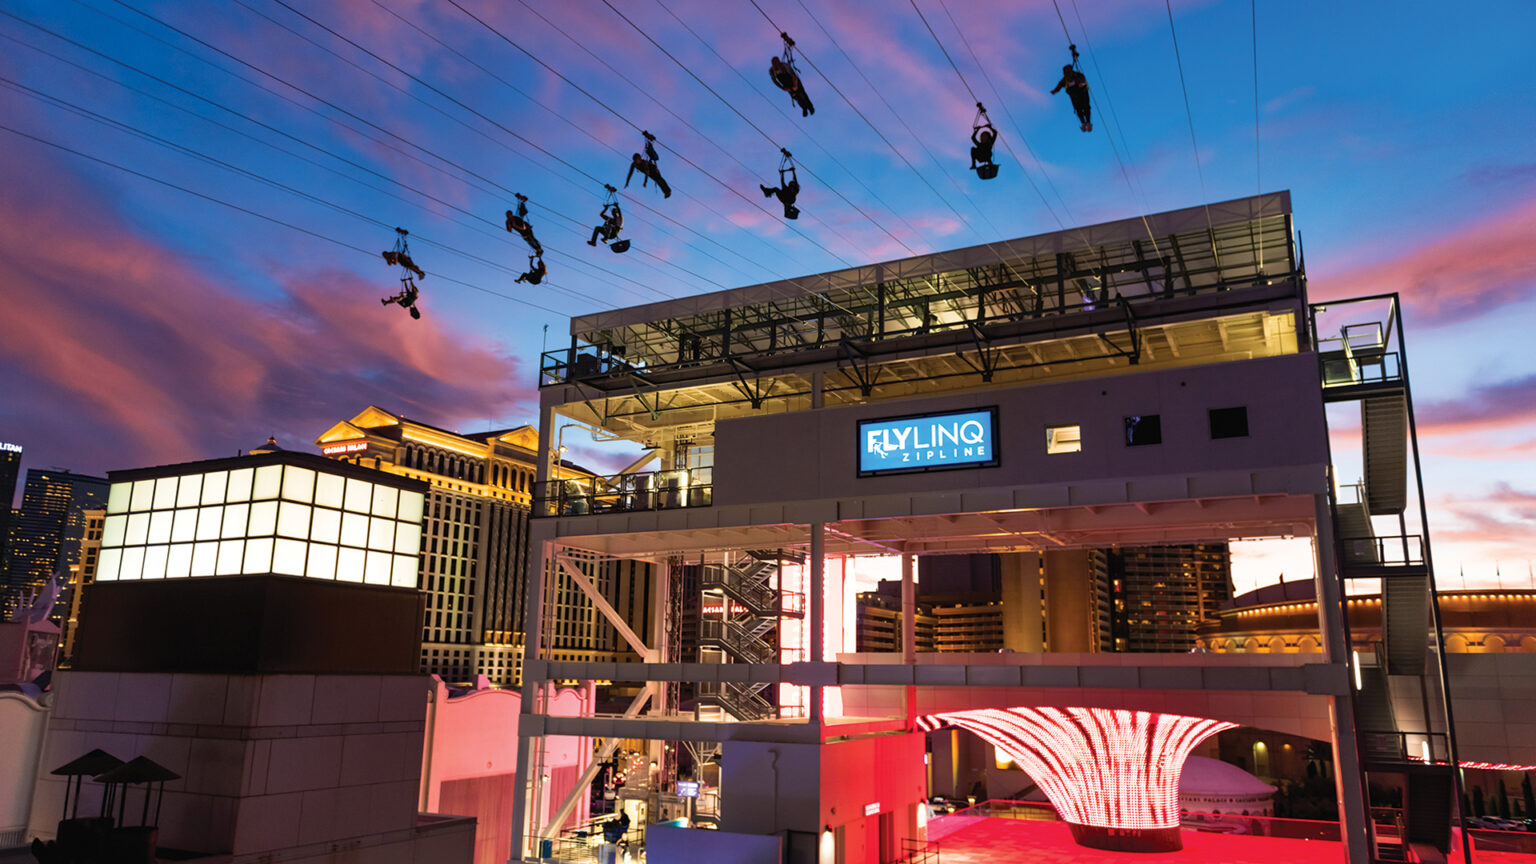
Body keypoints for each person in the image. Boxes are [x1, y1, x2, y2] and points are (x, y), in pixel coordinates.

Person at [625, 134, 672, 198]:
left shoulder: (644, 163)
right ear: (635, 160)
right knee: (658, 181)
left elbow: (647, 172)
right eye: (638, 159)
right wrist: (627, 182)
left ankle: (668, 191)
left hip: (653, 169)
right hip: (649, 173)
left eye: (640, 158)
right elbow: (630, 173)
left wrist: (645, 182)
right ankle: (666, 192)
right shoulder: (634, 164)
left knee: (659, 179)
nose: (640, 160)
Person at [759, 150, 801, 219]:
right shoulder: (787, 188)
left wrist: (793, 172)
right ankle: (766, 191)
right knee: (776, 189)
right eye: (790, 183)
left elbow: (795, 179)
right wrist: (782, 173)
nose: (791, 184)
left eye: (791, 183)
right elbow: (782, 181)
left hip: (789, 199)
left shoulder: (796, 188)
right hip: (785, 198)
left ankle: (787, 209)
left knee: (777, 189)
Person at [1051, 63, 1092, 131]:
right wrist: (1055, 91)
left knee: (1086, 107)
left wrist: (1080, 83)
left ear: (1071, 71)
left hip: (1082, 93)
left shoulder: (1078, 75)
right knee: (1078, 109)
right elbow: (1059, 86)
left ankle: (1088, 122)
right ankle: (1083, 123)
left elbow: (1083, 80)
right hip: (1074, 96)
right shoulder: (1064, 80)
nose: (1068, 74)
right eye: (1066, 73)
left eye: (1069, 72)